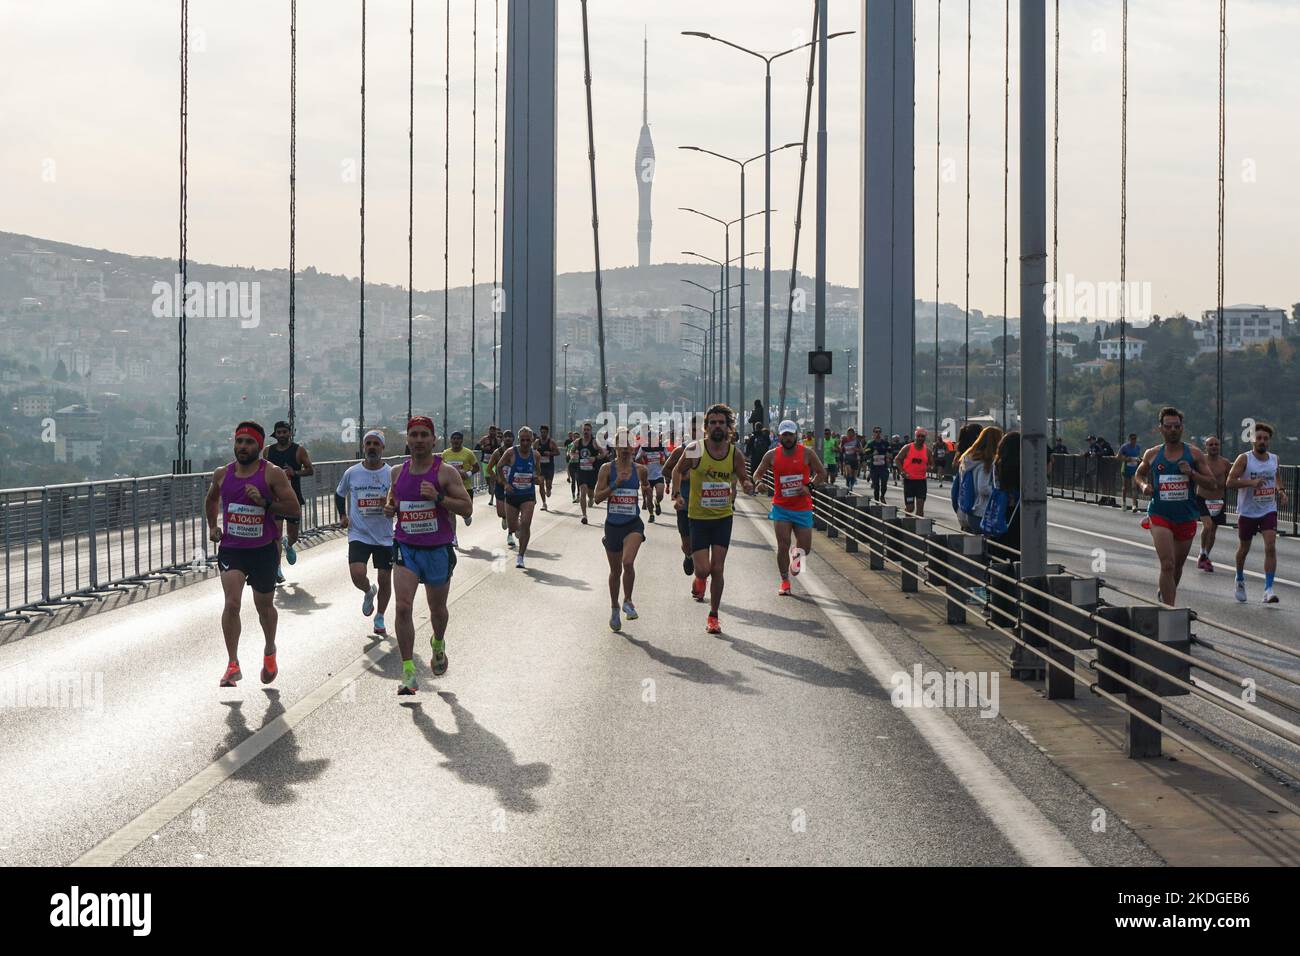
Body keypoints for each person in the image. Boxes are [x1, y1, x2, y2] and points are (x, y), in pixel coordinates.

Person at [205, 421, 300, 687]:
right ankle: (232, 664)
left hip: (263, 551)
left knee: (263, 606)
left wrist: (264, 502)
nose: (243, 447)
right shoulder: (222, 474)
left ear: (259, 446)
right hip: (233, 549)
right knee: (232, 603)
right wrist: (213, 526)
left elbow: (294, 510)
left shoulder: (272, 474)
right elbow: (212, 500)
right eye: (239, 442)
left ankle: (270, 650)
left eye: (249, 443)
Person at [385, 416, 472, 694]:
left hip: (437, 550)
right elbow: (393, 497)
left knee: (437, 609)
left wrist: (438, 498)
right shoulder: (397, 472)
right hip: (406, 547)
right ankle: (409, 671)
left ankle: (437, 642)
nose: (419, 440)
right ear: (407, 440)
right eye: (414, 435)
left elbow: (467, 508)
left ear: (434, 441)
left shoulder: (445, 472)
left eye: (425, 435)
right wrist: (390, 508)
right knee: (402, 607)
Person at [673, 403, 754, 634]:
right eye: (713, 422)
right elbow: (678, 470)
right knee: (703, 570)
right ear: (706, 427)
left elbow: (743, 477)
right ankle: (699, 581)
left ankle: (713, 616)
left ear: (728, 427)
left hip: (722, 517)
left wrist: (748, 484)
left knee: (718, 568)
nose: (717, 426)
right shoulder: (695, 449)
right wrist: (677, 494)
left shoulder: (734, 453)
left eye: (721, 422)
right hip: (698, 518)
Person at [1133, 406, 1218, 606]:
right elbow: (1138, 474)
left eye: (1176, 426)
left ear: (1182, 428)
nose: (1173, 430)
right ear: (1160, 428)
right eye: (1168, 426)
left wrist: (1192, 474)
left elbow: (1212, 483)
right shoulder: (1152, 454)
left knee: (1177, 567)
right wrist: (1144, 486)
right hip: (1160, 515)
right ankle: (1169, 613)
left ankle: (1166, 594)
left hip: (1186, 516)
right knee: (1168, 564)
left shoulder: (1194, 454)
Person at [752, 419, 828, 596]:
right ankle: (785, 580)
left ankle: (797, 556)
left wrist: (808, 487)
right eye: (784, 434)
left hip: (802, 507)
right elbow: (757, 473)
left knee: (805, 548)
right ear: (779, 436)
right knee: (783, 544)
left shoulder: (807, 453)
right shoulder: (771, 455)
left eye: (790, 434)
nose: (787, 438)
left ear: (796, 435)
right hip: (781, 507)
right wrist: (759, 483)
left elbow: (821, 473)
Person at [336, 429, 395, 636]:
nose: (371, 447)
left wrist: (390, 505)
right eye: (368, 443)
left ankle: (380, 616)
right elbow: (339, 493)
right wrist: (343, 515)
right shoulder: (352, 472)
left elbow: (399, 501)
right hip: (359, 533)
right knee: (357, 575)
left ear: (382, 448)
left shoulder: (391, 473)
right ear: (363, 447)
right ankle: (368, 591)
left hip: (385, 536)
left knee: (385, 579)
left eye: (375, 444)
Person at [595, 428, 651, 631]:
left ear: (633, 446)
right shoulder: (606, 470)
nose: (626, 448)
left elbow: (645, 486)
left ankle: (628, 600)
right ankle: (614, 608)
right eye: (622, 444)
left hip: (632, 524)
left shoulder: (640, 469)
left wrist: (648, 498)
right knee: (615, 570)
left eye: (629, 444)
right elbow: (597, 498)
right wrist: (615, 485)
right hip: (613, 526)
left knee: (628, 562)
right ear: (615, 447)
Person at [1226, 422, 1287, 604]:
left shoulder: (1274, 459)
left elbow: (1275, 476)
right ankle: (1239, 579)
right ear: (1252, 440)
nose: (1262, 441)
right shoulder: (1244, 459)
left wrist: (1281, 491)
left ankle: (1268, 589)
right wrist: (1251, 483)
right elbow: (1230, 482)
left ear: (1269, 441)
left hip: (1268, 509)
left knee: (1270, 545)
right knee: (1244, 549)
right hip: (1248, 511)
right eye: (1259, 438)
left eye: (1265, 439)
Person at [262, 420, 314, 582]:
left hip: (293, 499)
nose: (282, 435)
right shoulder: (268, 452)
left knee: (293, 535)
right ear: (275, 434)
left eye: (285, 432)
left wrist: (295, 473)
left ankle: (289, 544)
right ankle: (277, 569)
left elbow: (310, 470)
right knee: (275, 535)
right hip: (275, 500)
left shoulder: (298, 451)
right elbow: (261, 470)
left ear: (290, 433)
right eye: (279, 432)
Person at [497, 426, 540, 569]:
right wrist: (504, 483)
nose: (525, 443)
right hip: (512, 494)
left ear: (532, 440)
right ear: (519, 439)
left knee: (526, 523)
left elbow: (538, 472)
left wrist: (537, 478)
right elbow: (498, 466)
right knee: (513, 526)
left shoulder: (535, 455)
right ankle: (517, 528)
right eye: (523, 440)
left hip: (528, 494)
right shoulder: (511, 452)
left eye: (528, 440)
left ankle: (521, 556)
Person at [665, 418, 699, 576]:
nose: (696, 433)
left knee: (703, 545)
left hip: (705, 506)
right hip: (684, 504)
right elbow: (666, 470)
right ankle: (688, 556)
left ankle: (701, 576)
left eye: (699, 429)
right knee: (687, 544)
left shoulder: (713, 451)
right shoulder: (680, 451)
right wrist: (683, 476)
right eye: (693, 430)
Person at [955, 425, 1003, 533]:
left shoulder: (968, 460)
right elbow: (983, 488)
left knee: (972, 546)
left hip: (966, 509)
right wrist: (1000, 492)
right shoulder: (985, 463)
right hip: (981, 511)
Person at [1194, 435, 1231, 573]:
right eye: (1211, 445)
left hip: (1218, 500)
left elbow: (1230, 479)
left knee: (1213, 530)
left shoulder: (1225, 463)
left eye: (1216, 444)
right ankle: (1202, 552)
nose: (1214, 447)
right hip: (1203, 498)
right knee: (1208, 526)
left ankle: (1206, 557)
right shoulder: (1200, 461)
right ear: (1206, 447)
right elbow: (1194, 476)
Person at [440, 430, 480, 531]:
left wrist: (467, 474)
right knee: (450, 512)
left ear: (462, 440)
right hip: (450, 487)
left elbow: (476, 467)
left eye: (458, 439)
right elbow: (440, 468)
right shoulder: (445, 454)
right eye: (454, 438)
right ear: (451, 440)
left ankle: (466, 516)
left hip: (465, 487)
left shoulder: (468, 453)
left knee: (466, 511)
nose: (456, 441)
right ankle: (453, 537)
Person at [572, 421, 604, 525]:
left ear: (591, 431)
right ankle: (584, 515)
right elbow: (571, 451)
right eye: (584, 430)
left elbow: (603, 453)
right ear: (582, 430)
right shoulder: (578, 442)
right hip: (581, 471)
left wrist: (595, 458)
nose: (586, 432)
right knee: (582, 491)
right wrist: (573, 455)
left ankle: (591, 497)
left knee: (590, 493)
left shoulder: (595, 442)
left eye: (588, 430)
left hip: (592, 472)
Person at [486, 430, 515, 546]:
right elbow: (488, 469)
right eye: (506, 437)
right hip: (500, 485)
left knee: (512, 510)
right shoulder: (497, 453)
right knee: (501, 513)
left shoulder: (517, 452)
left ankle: (510, 535)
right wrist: (497, 477)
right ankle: (504, 518)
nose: (508, 439)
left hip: (514, 485)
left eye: (510, 437)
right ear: (502, 439)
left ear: (513, 439)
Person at [634, 427, 669, 522]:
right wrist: (642, 456)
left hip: (658, 474)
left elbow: (668, 457)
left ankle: (657, 502)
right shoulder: (644, 447)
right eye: (651, 437)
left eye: (654, 437)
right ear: (648, 438)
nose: (653, 439)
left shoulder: (662, 446)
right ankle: (651, 514)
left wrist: (664, 459)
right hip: (647, 476)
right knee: (648, 497)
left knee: (660, 494)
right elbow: (636, 460)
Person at [895, 427, 932, 516]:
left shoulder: (927, 450)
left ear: (925, 438)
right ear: (915, 437)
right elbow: (897, 459)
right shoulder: (908, 447)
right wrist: (902, 472)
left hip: (921, 481)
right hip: (909, 481)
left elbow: (931, 463)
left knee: (920, 509)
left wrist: (929, 468)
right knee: (910, 508)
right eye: (918, 436)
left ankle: (918, 529)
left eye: (922, 436)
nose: (920, 438)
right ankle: (907, 526)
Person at [534, 424, 559, 511]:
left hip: (549, 467)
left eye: (544, 432)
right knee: (541, 485)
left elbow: (558, 452)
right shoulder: (537, 442)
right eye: (541, 432)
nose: (543, 434)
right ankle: (544, 503)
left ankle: (549, 489)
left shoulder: (551, 442)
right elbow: (532, 452)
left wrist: (550, 453)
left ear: (547, 433)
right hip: (540, 467)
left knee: (548, 485)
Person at [865, 426, 891, 503]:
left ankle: (882, 496)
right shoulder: (870, 444)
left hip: (883, 467)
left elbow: (890, 453)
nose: (878, 433)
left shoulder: (885, 443)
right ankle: (877, 502)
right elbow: (865, 456)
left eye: (879, 432)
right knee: (876, 486)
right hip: (874, 468)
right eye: (876, 432)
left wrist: (888, 455)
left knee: (884, 485)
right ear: (873, 433)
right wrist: (872, 454)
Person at [1118, 432, 1142, 512]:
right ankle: (1124, 503)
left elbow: (1138, 456)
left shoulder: (1138, 447)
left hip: (1134, 470)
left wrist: (1138, 459)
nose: (1134, 440)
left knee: (1134, 487)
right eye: (1132, 439)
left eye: (1135, 439)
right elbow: (1118, 456)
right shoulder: (1124, 447)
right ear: (1129, 439)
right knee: (1125, 487)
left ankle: (1134, 505)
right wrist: (1127, 459)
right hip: (1125, 469)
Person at [839, 427, 863, 492]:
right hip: (847, 459)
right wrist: (841, 447)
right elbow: (840, 448)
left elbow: (861, 450)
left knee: (854, 476)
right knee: (848, 472)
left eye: (851, 432)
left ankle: (851, 486)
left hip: (855, 459)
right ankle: (848, 481)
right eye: (849, 432)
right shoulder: (844, 440)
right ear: (847, 433)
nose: (850, 433)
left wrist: (856, 449)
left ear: (853, 433)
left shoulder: (857, 441)